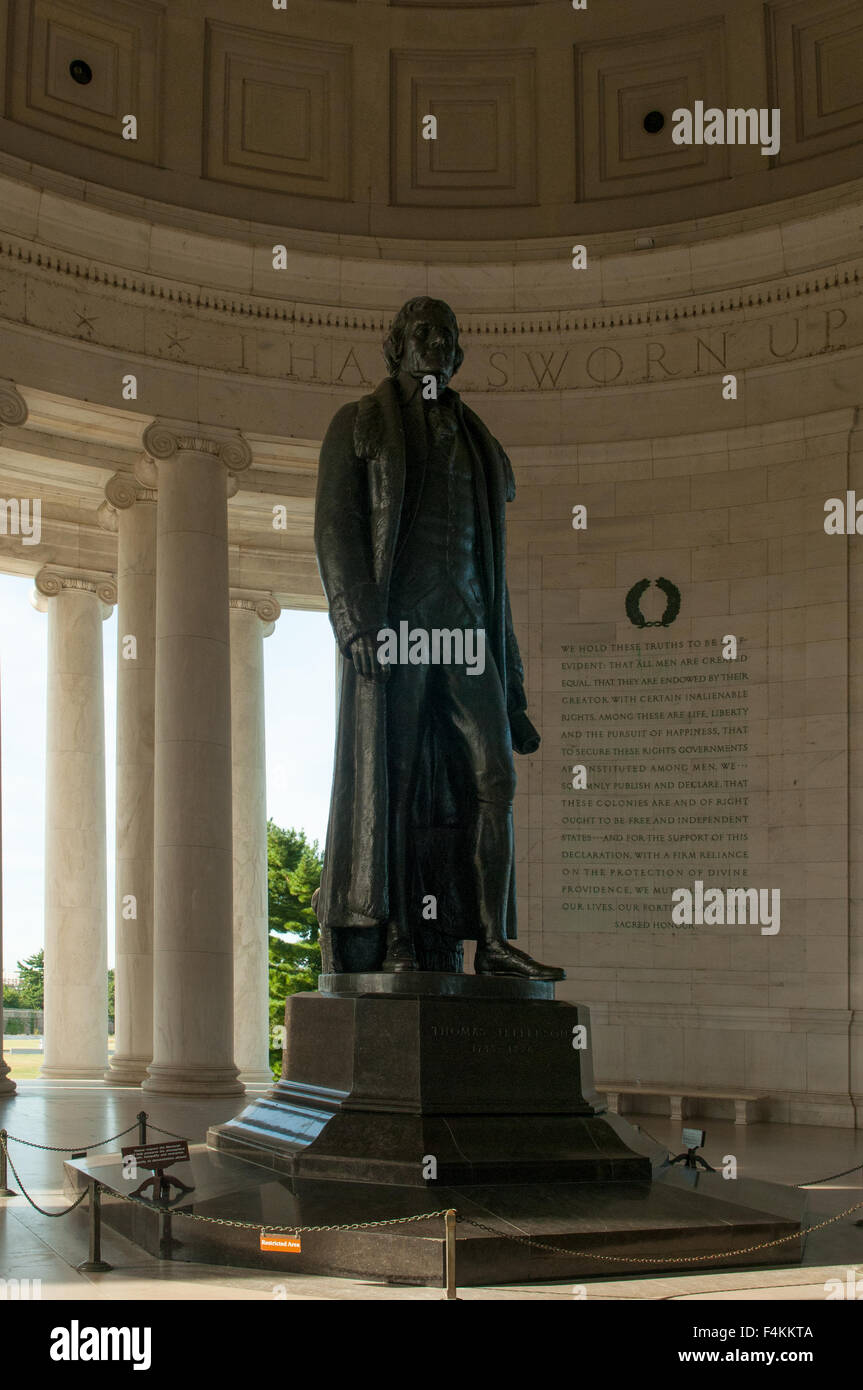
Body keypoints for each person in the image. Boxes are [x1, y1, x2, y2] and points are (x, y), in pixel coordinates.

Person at [314, 296, 564, 980]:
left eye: (446, 336)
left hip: (467, 627)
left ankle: (492, 942)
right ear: (394, 346)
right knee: (391, 779)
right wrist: (356, 620)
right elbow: (336, 527)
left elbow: (495, 571)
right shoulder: (359, 423)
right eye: (420, 333)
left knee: (493, 777)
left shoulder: (480, 440)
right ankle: (394, 930)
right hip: (396, 625)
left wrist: (512, 692)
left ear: (457, 354)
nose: (434, 344)